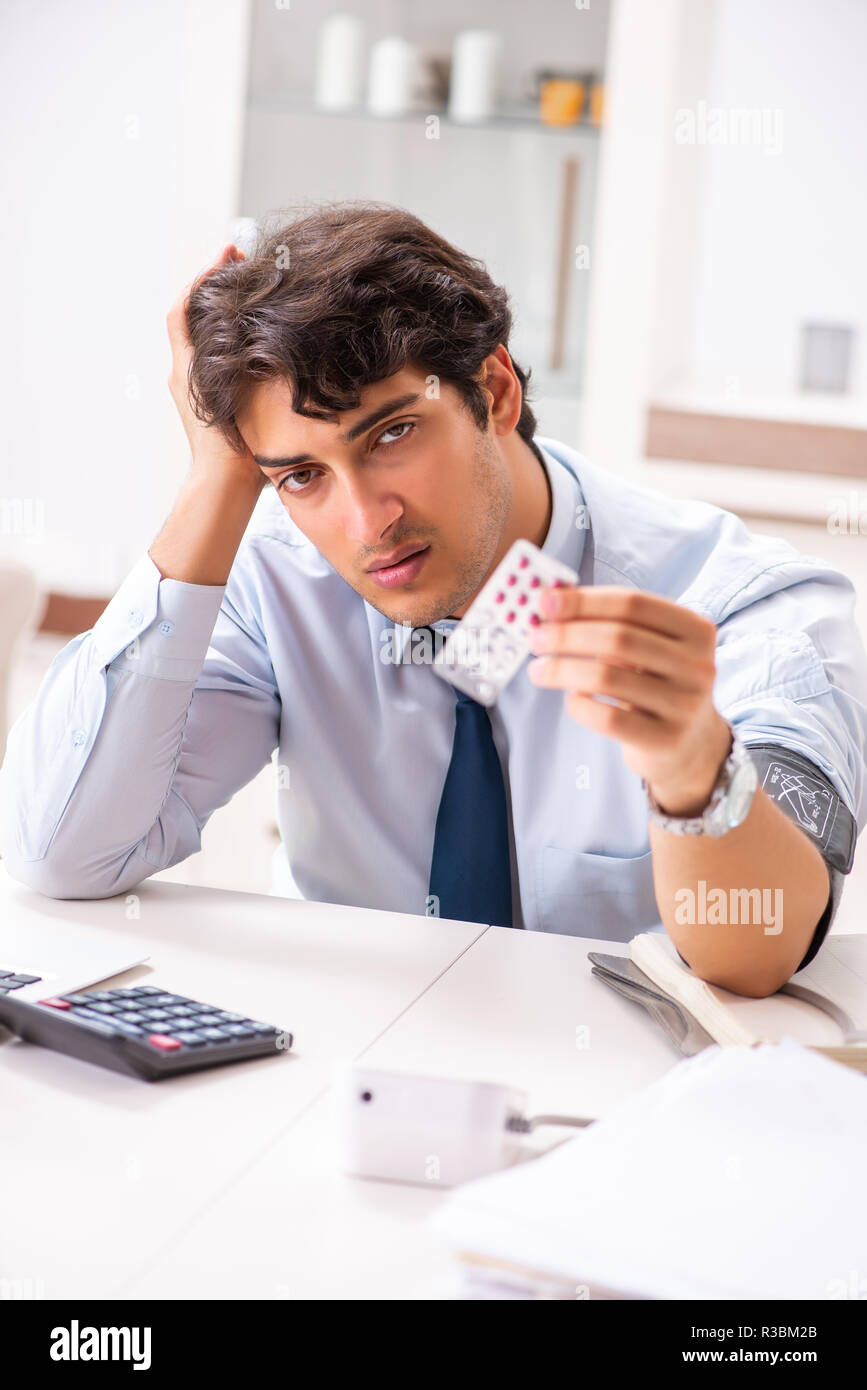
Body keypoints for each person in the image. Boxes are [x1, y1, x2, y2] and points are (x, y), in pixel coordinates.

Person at [1, 203, 864, 998]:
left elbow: (756, 951)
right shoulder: (275, 582)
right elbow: (63, 853)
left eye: (391, 435)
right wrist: (221, 477)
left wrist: (692, 770)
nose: (366, 522)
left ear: (492, 391)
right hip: (334, 1081)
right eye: (302, 475)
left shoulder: (738, 605)